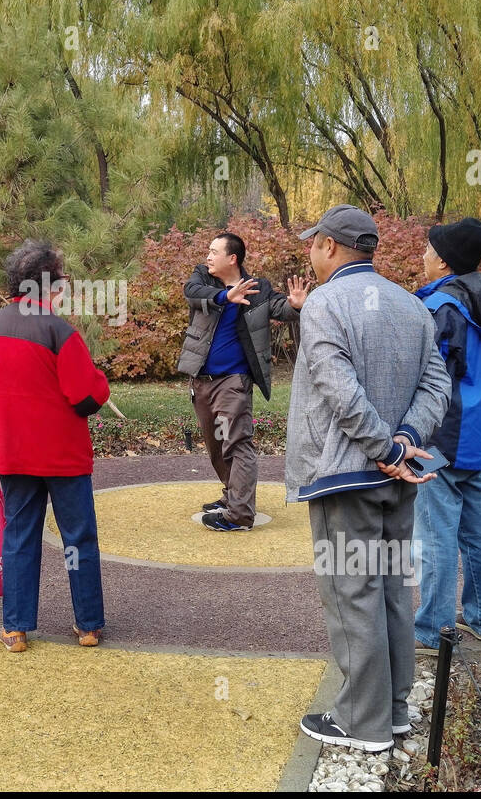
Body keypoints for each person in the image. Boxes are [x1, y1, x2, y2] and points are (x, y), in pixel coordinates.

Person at [286, 205, 452, 753]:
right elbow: (436, 385)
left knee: (351, 593)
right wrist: (403, 442)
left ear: (331, 246)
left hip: (345, 474)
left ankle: (363, 721)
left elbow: (338, 388)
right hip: (399, 473)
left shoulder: (324, 304)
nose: (310, 253)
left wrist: (382, 446)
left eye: (314, 244)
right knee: (391, 590)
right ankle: (394, 709)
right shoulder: (411, 303)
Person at [0, 240, 111, 653]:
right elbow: (87, 398)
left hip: (11, 454)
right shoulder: (60, 332)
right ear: (49, 285)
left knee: (19, 536)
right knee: (77, 538)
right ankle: (88, 626)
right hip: (63, 457)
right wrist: (99, 378)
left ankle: (16, 628)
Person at [412, 218, 481, 655]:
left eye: (429, 250)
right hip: (478, 432)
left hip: (441, 434)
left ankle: (432, 630)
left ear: (444, 260)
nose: (423, 256)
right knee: (479, 527)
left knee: (434, 533)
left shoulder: (442, 307)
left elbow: (431, 377)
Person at [178, 232, 309, 530]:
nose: (208, 256)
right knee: (216, 444)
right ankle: (232, 496)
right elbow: (191, 292)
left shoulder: (257, 289)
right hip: (202, 380)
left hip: (233, 383)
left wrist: (298, 305)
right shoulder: (204, 279)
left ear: (232, 258)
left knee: (236, 442)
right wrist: (226, 296)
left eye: (214, 251)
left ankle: (239, 514)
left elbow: (281, 308)